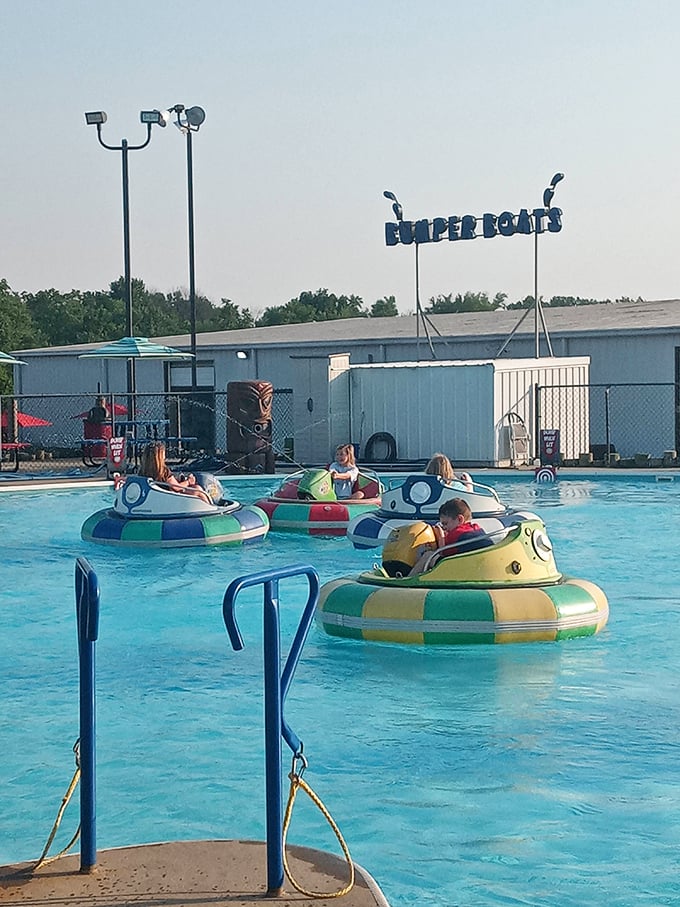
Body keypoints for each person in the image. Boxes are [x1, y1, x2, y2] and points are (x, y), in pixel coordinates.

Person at [408, 498, 488, 575]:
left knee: (428, 555)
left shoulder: (456, 533)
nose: (444, 528)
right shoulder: (477, 528)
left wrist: (441, 537)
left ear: (460, 519)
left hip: (468, 568)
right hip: (482, 565)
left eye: (445, 523)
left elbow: (443, 554)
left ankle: (408, 579)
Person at [138, 441, 212, 505]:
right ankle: (210, 507)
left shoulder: (142, 471)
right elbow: (177, 487)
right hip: (170, 498)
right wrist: (188, 481)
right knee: (197, 489)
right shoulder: (163, 471)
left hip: (155, 497)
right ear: (160, 456)